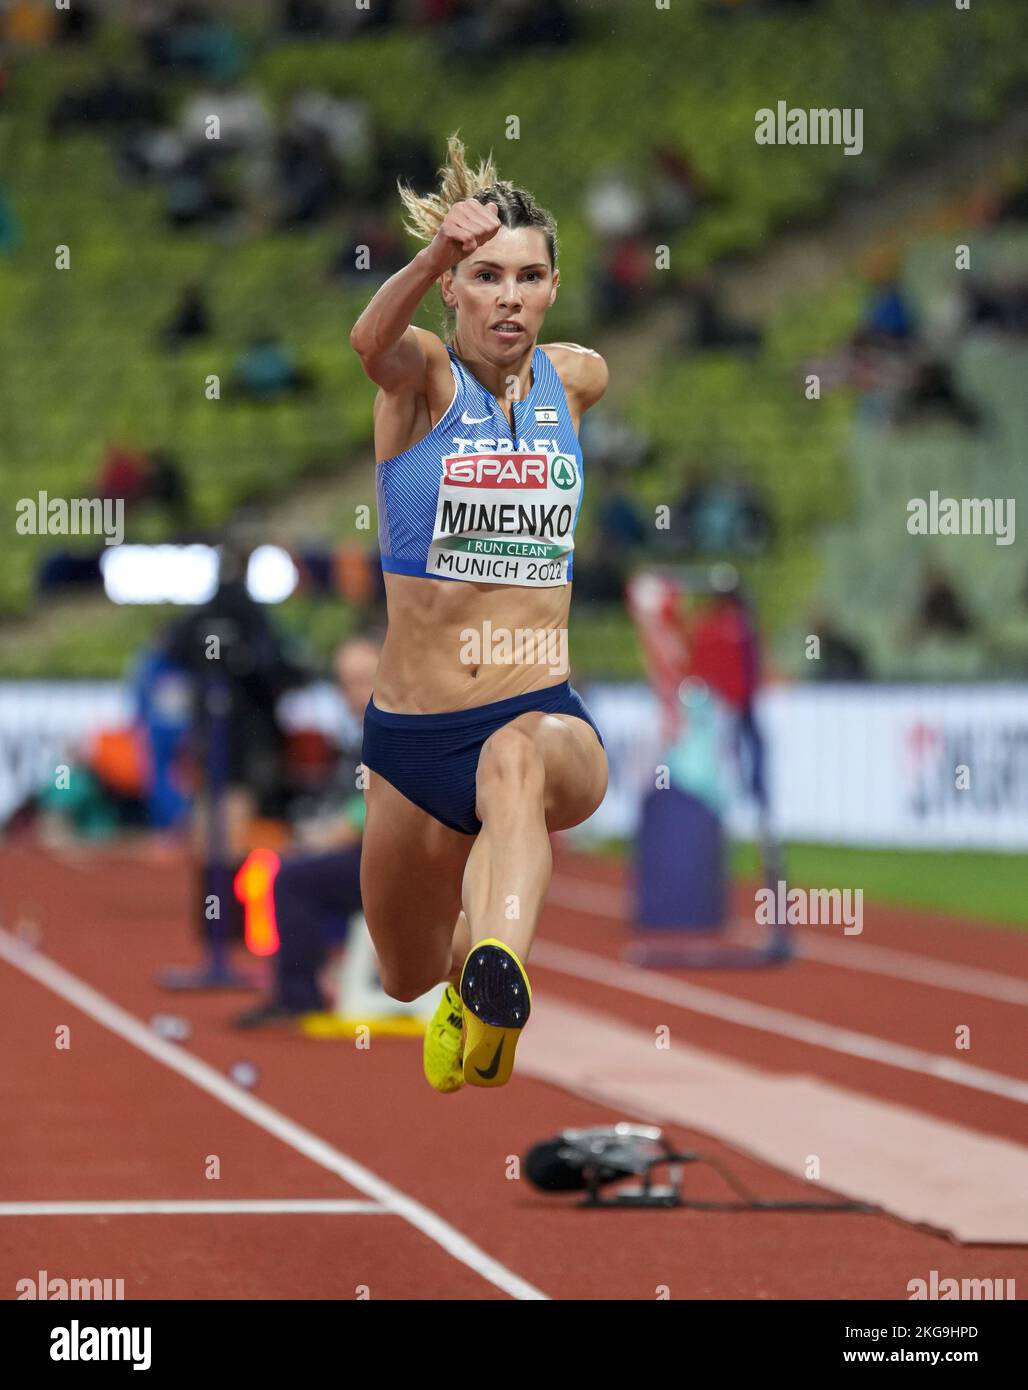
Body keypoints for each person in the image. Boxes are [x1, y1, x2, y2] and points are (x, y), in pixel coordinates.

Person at [349, 133, 609, 1093]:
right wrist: (425, 258)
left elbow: (571, 362)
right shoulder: (421, 380)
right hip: (413, 738)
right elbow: (367, 343)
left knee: (516, 758)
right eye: (487, 275)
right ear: (456, 288)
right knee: (404, 971)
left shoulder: (575, 382)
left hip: (540, 712)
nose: (509, 296)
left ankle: (501, 976)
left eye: (529, 277)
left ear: (552, 287)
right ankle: (466, 982)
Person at [234, 634, 379, 1028]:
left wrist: (322, 836)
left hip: (396, 863)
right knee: (288, 864)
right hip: (372, 853)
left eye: (365, 678)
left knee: (292, 879)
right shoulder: (363, 731)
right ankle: (317, 972)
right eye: (347, 681)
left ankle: (300, 997)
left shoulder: (393, 730)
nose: (356, 691)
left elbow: (374, 813)